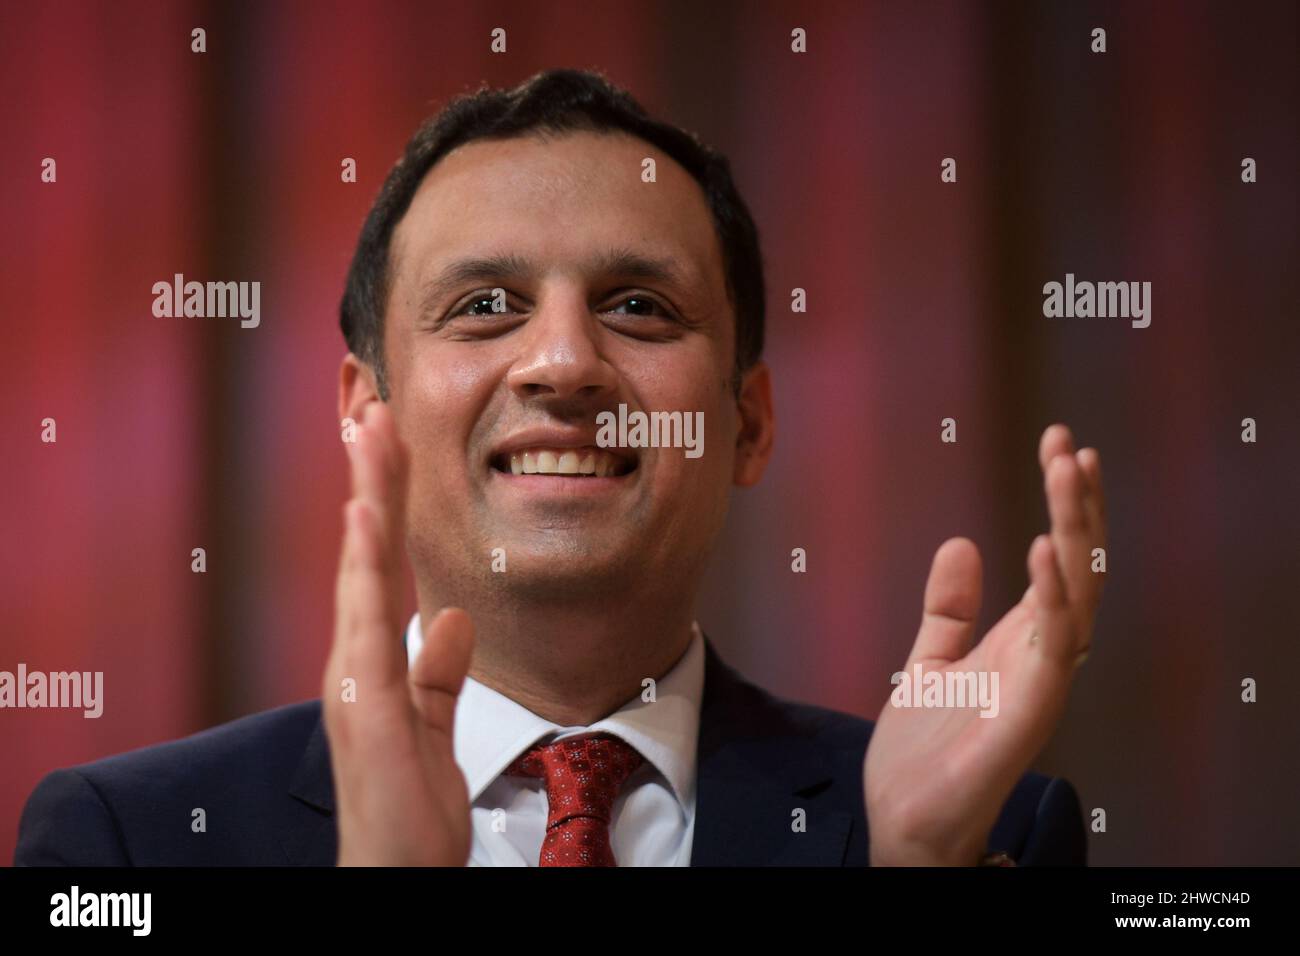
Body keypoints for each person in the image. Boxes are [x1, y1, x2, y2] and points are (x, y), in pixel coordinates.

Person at [15, 68, 1105, 867]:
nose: (564, 362)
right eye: (484, 306)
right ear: (366, 415)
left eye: (639, 305)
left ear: (750, 424)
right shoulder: (128, 843)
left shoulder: (978, 828)